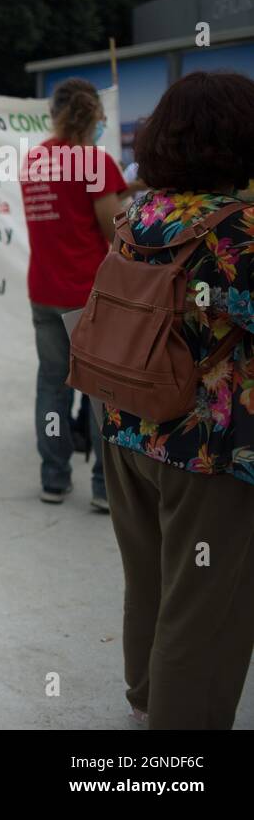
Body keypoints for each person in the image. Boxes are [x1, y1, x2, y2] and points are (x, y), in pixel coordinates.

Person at [98, 71, 254, 729]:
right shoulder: (238, 229)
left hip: (128, 423)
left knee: (153, 581)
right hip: (207, 447)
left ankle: (144, 701)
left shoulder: (144, 212)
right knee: (205, 608)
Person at [19, 77, 127, 509]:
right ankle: (104, 487)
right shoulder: (96, 163)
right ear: (95, 114)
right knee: (102, 391)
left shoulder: (33, 161)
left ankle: (54, 478)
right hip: (89, 293)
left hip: (44, 290)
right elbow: (116, 231)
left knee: (52, 386)